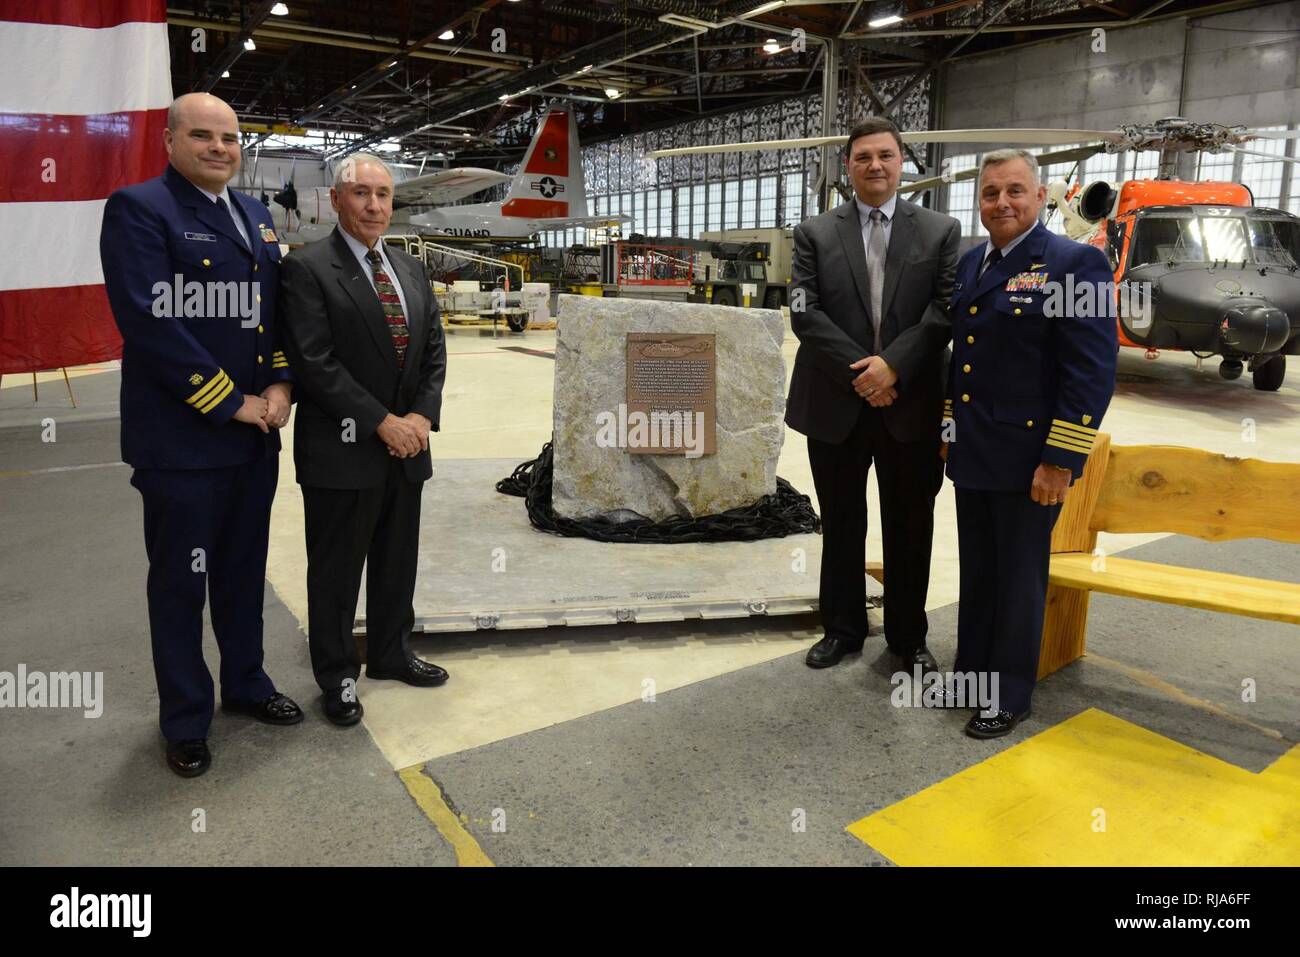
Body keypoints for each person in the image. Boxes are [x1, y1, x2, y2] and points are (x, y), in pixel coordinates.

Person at [100, 93, 302, 779]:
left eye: (230, 138)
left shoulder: (254, 215)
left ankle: (247, 684)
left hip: (254, 439)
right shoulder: (140, 209)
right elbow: (151, 323)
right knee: (181, 586)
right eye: (204, 136)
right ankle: (186, 718)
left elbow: (271, 315)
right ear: (170, 141)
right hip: (183, 445)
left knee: (243, 576)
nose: (220, 148)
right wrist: (232, 403)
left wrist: (279, 386)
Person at [943, 148, 1117, 738]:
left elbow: (1091, 374)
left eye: (1015, 190)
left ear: (1041, 198)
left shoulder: (1075, 264)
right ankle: (971, 675)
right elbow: (959, 360)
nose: (1002, 202)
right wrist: (949, 429)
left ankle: (1009, 693)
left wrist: (1060, 461)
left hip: (1031, 463)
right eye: (991, 192)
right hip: (975, 454)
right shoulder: (973, 264)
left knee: (1019, 577)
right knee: (979, 572)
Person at [786, 116, 961, 675]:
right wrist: (863, 372)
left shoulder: (939, 230)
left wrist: (894, 368)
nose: (875, 166)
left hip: (909, 404)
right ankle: (842, 628)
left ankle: (909, 638)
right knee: (841, 521)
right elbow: (802, 311)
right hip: (836, 403)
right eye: (863, 157)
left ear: (902, 161)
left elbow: (945, 310)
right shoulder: (814, 233)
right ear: (848, 167)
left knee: (911, 524)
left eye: (885, 155)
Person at [278, 153, 448, 727]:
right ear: (336, 199)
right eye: (361, 194)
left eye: (383, 195)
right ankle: (336, 674)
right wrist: (384, 422)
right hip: (344, 450)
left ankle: (392, 653)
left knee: (397, 562)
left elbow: (432, 351)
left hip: (408, 448)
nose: (374, 206)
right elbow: (315, 363)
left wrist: (422, 417)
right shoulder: (308, 269)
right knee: (336, 569)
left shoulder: (409, 268)